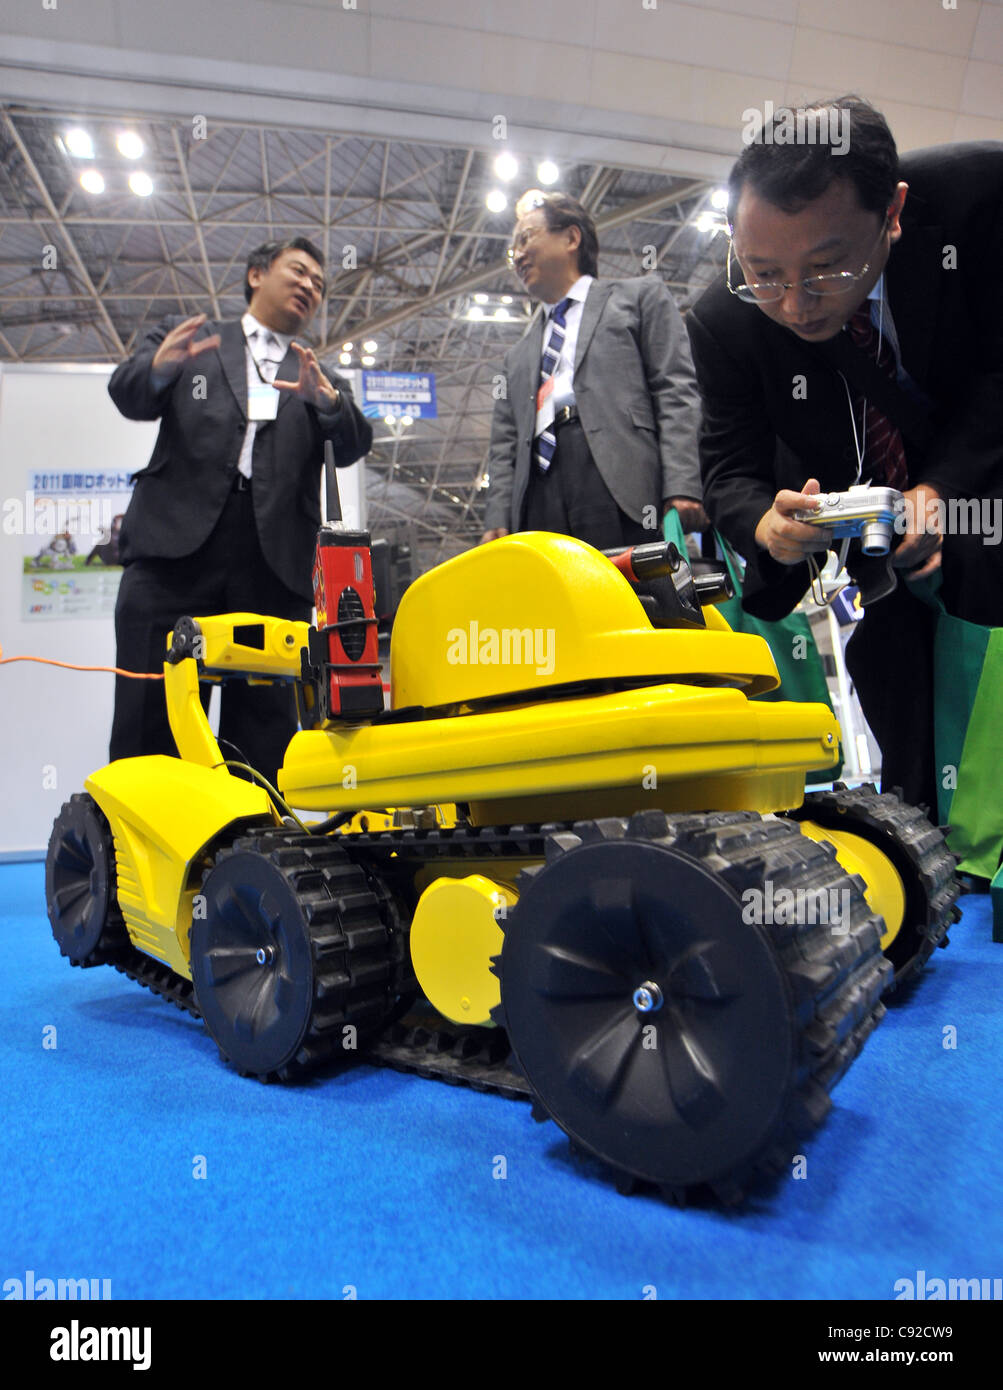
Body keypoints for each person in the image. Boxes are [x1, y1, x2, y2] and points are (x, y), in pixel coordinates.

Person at [686, 97, 1003, 810]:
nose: (794, 304)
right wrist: (766, 526)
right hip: (879, 552)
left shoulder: (979, 205)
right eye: (762, 272)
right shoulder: (723, 320)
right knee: (900, 702)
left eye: (826, 269)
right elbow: (728, 470)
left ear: (892, 211)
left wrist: (942, 492)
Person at [108, 236, 373, 784]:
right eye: (298, 272)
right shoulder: (194, 341)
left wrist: (326, 404)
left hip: (273, 565)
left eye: (320, 285)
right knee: (149, 717)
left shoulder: (318, 375)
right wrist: (159, 369)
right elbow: (128, 391)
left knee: (263, 733)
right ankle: (139, 849)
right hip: (173, 552)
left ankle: (250, 860)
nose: (310, 287)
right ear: (257, 275)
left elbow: (353, 442)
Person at [481, 190, 706, 551]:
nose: (517, 256)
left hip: (622, 478)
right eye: (513, 251)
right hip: (538, 493)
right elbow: (504, 445)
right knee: (557, 601)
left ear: (571, 237)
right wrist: (498, 517)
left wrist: (682, 483)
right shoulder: (516, 357)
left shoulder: (640, 298)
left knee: (634, 599)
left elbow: (675, 390)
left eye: (525, 239)